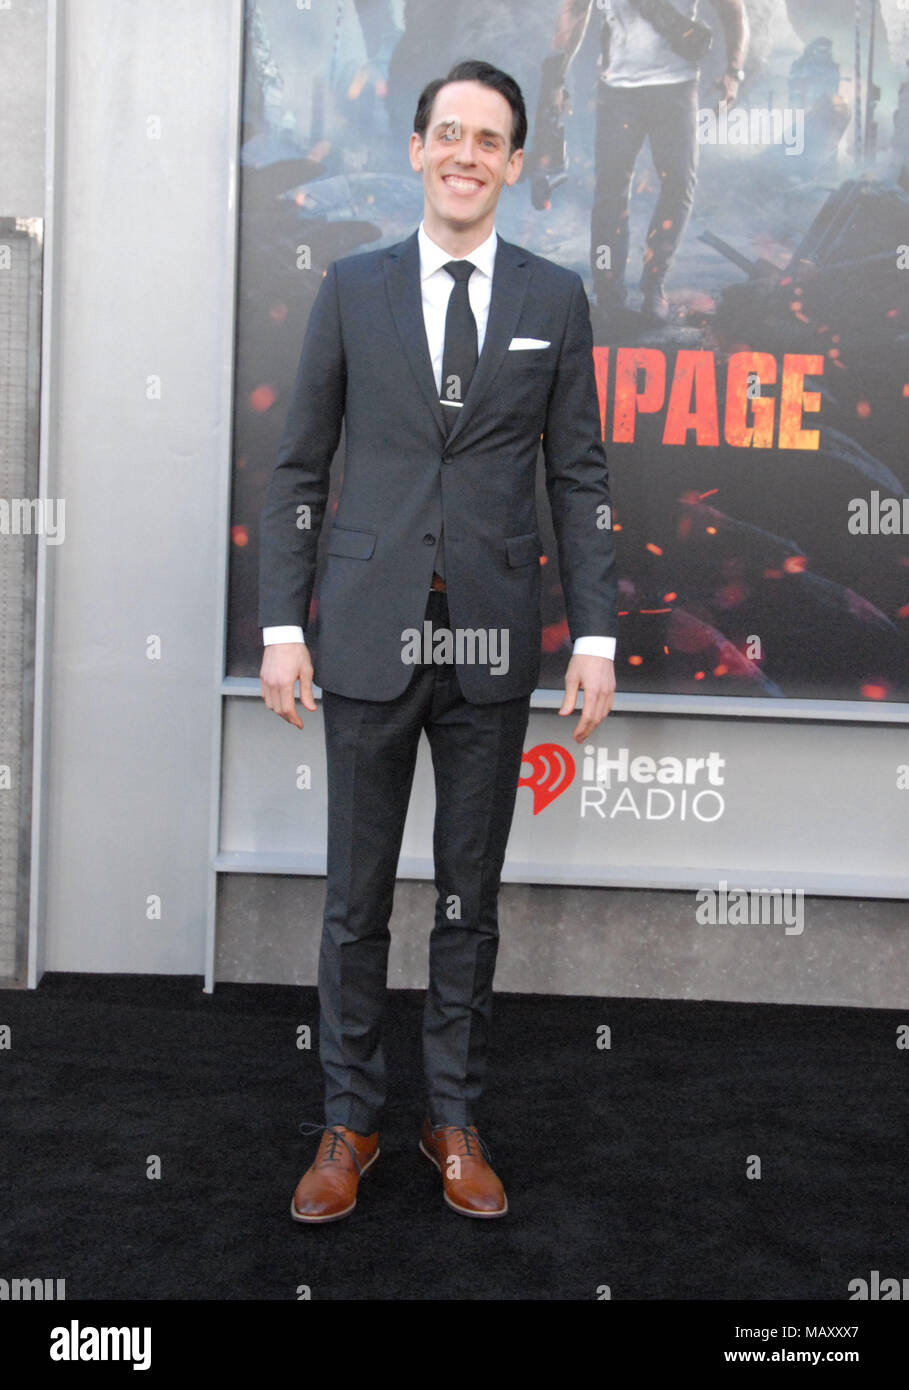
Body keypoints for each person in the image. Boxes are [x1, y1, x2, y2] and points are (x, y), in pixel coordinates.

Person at [258, 59, 618, 1222]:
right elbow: (299, 468)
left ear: (516, 164)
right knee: (355, 901)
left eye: (491, 139)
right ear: (417, 150)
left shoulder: (554, 298)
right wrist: (282, 624)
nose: (467, 153)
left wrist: (597, 633)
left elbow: (579, 475)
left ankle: (451, 1118)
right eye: (448, 133)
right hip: (362, 637)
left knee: (469, 898)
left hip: (493, 647)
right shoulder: (352, 287)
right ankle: (349, 1119)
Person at [531, 0, 748, 322]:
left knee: (678, 187)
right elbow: (575, 11)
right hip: (618, 92)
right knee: (610, 195)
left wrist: (734, 72)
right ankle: (607, 290)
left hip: (677, 87)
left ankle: (654, 285)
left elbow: (732, 9)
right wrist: (556, 80)